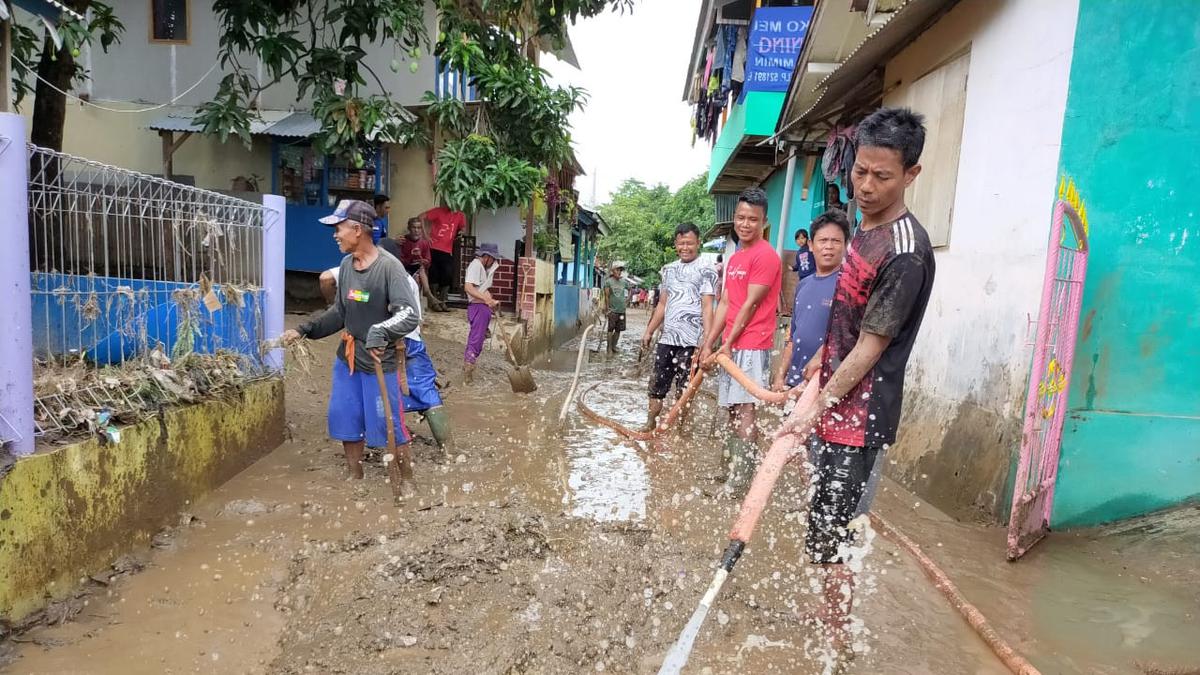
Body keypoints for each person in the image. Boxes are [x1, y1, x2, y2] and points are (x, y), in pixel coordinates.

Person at [774, 107, 935, 656]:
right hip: (832, 403)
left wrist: (815, 408)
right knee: (821, 527)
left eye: (882, 176)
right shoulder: (861, 229)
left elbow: (870, 347)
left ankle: (836, 645)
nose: (865, 187)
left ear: (911, 173)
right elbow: (844, 323)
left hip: (859, 420)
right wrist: (811, 375)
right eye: (860, 172)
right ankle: (826, 622)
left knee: (832, 536)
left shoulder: (906, 252)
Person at [280, 200, 420, 480]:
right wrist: (305, 329)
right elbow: (340, 312)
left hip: (380, 364)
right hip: (348, 361)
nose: (335, 234)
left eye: (338, 228)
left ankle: (407, 483)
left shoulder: (389, 269)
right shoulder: (347, 264)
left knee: (390, 427)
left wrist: (380, 332)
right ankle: (356, 479)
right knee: (346, 421)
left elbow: (408, 315)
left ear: (358, 230)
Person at [318, 233, 455, 454]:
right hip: (406, 340)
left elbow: (326, 278)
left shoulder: (382, 272)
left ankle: (383, 446)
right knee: (425, 393)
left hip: (390, 341)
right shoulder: (397, 275)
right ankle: (449, 452)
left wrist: (335, 306)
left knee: (375, 396)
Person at [699, 187, 782, 493]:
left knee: (745, 409)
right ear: (734, 218)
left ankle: (740, 481)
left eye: (753, 219)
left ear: (764, 222)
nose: (746, 224)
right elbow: (725, 303)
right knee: (732, 408)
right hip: (729, 345)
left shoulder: (766, 257)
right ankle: (730, 470)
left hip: (752, 343)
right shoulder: (734, 257)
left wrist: (728, 343)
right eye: (741, 218)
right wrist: (710, 341)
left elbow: (750, 305)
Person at [641, 223, 718, 431]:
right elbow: (663, 304)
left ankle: (681, 428)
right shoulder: (669, 270)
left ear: (698, 242)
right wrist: (649, 330)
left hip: (693, 342)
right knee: (657, 385)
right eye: (681, 243)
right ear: (675, 244)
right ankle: (650, 423)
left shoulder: (707, 270)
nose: (686, 247)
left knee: (685, 389)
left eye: (690, 243)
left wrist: (707, 342)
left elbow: (707, 306)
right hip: (667, 339)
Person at [771, 211, 849, 392]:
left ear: (846, 246)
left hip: (826, 384)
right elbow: (793, 338)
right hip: (794, 380)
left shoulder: (847, 287)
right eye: (823, 240)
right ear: (811, 245)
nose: (828, 246)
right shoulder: (803, 285)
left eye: (836, 241)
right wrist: (780, 375)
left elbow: (848, 340)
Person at [462, 242, 503, 384]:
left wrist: (491, 300)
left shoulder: (481, 268)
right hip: (478, 309)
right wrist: (486, 299)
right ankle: (468, 375)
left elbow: (482, 288)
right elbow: (468, 287)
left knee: (477, 341)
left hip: (482, 309)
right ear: (487, 256)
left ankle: (469, 370)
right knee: (475, 341)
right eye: (492, 259)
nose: (493, 262)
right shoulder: (476, 265)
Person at [399, 216, 448, 312]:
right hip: (405, 269)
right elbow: (400, 261)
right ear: (409, 228)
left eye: (419, 228)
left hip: (418, 269)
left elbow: (428, 262)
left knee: (420, 270)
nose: (417, 230)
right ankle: (428, 294)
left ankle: (425, 295)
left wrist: (421, 258)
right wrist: (412, 256)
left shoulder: (424, 243)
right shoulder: (403, 241)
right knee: (418, 274)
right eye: (414, 227)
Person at [424, 206, 467, 304]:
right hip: (433, 247)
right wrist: (426, 235)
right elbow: (421, 217)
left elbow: (463, 228)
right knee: (433, 272)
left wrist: (461, 232)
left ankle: (443, 299)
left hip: (447, 250)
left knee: (448, 273)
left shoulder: (460, 215)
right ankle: (434, 300)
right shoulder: (439, 210)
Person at [603, 262, 629, 355]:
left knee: (618, 330)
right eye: (617, 270)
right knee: (610, 329)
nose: (619, 272)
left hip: (621, 310)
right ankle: (609, 347)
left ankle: (614, 346)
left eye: (620, 270)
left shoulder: (623, 282)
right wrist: (607, 309)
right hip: (612, 311)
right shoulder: (608, 282)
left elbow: (630, 289)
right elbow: (606, 296)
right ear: (613, 271)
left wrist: (627, 301)